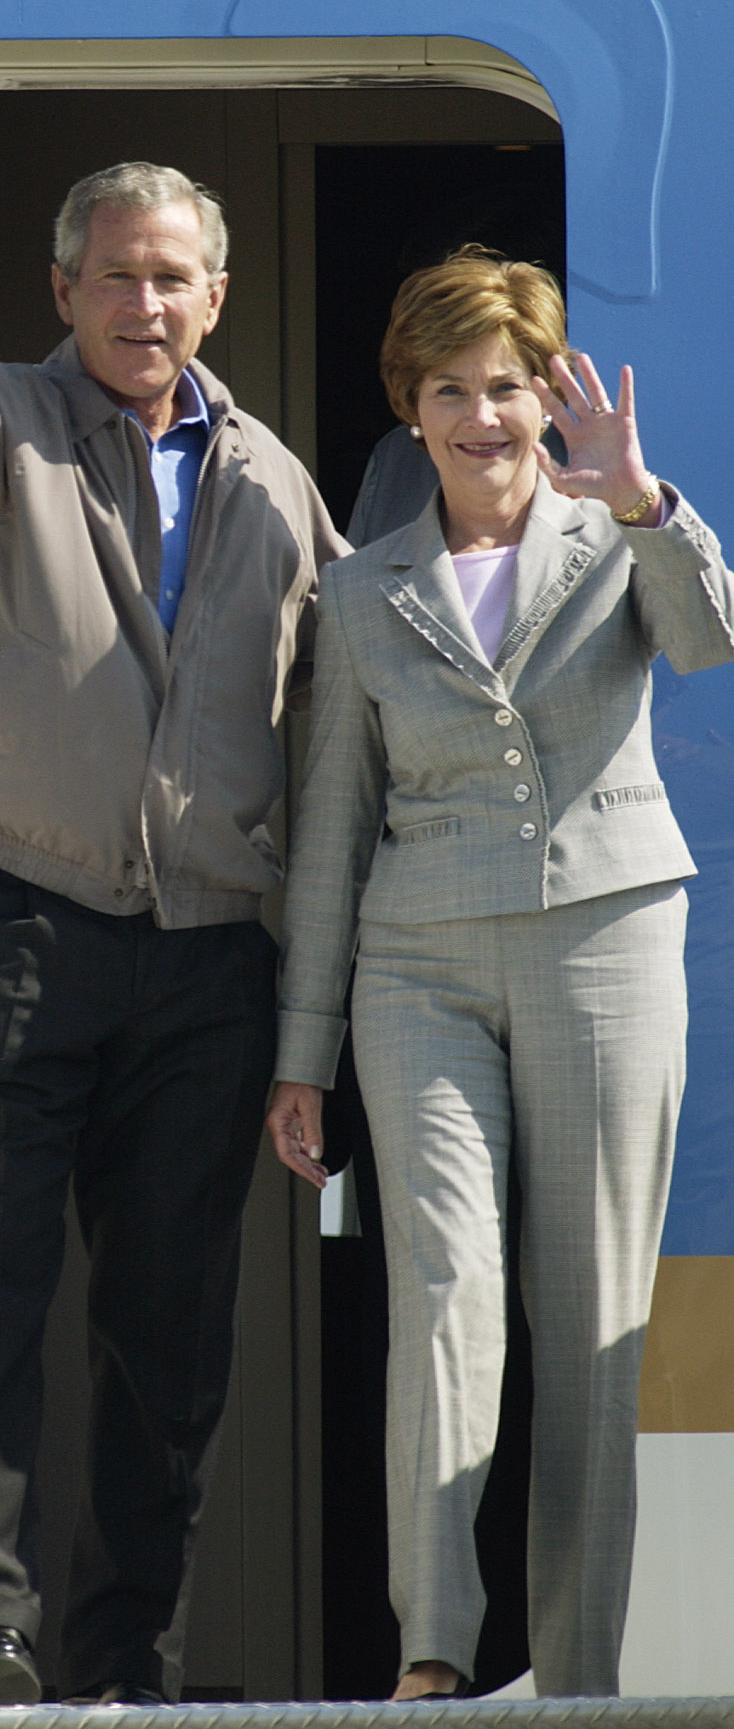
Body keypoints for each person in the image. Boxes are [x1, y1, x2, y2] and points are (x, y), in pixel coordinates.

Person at [0, 35, 347, 1706]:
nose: (144, 302)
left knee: (171, 1334)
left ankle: (128, 1659)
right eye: (114, 276)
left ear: (213, 296)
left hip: (205, 957)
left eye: (172, 278)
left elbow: (356, 694)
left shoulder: (276, 477)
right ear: (61, 291)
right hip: (10, 919)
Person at [265, 246, 734, 1700]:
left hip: (604, 946)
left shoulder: (618, 537)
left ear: (549, 398)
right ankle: (432, 1649)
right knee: (441, 1290)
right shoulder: (357, 593)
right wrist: (301, 1051)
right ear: (409, 407)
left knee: (591, 1316)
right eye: (452, 388)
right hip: (416, 964)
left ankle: (578, 1672)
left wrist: (642, 501)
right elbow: (331, 828)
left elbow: (711, 639)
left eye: (510, 385)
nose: (484, 415)